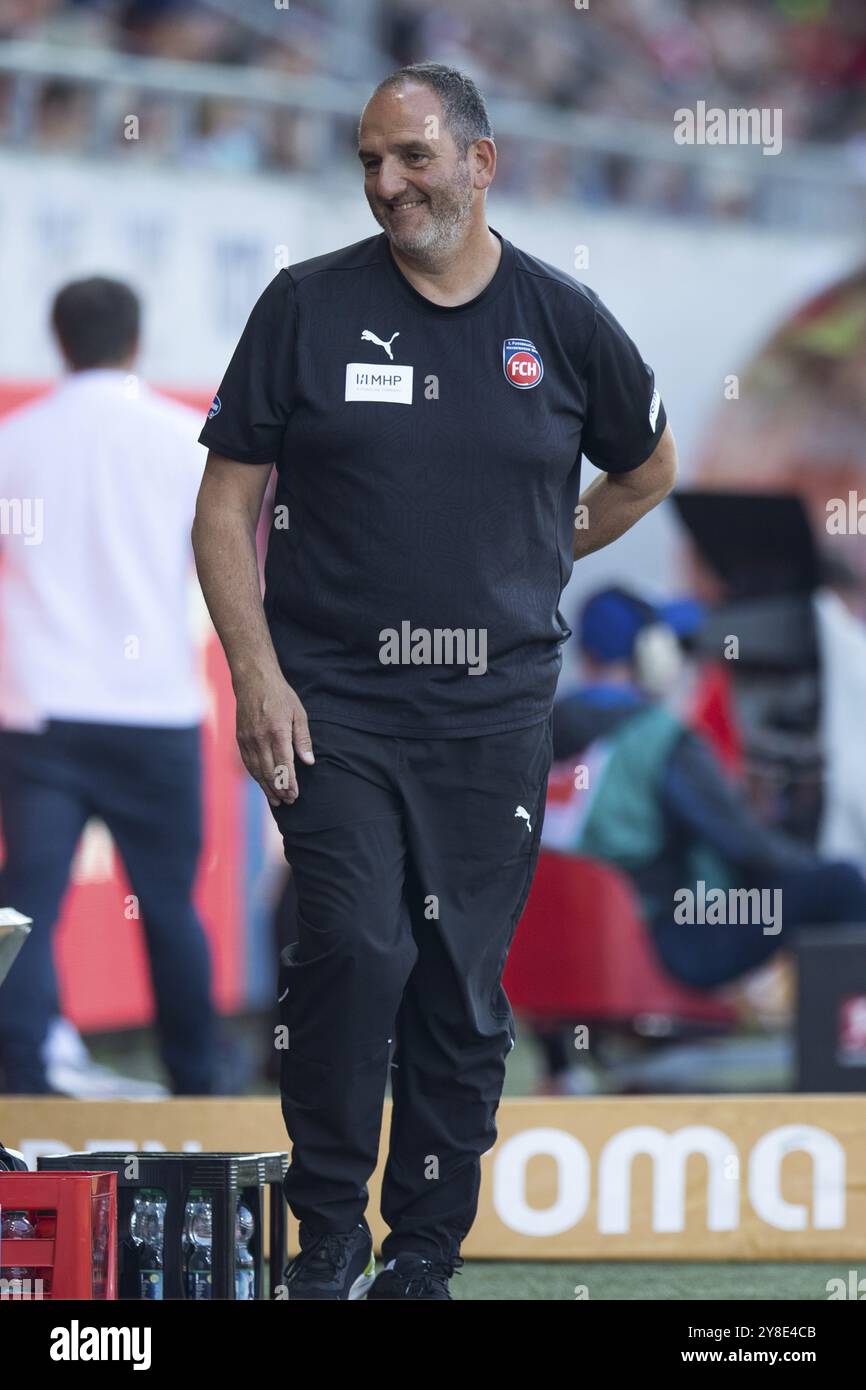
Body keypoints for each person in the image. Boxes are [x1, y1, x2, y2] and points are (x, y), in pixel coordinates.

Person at [192, 62, 676, 1300]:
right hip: (332, 705)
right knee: (353, 947)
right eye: (367, 160)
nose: (385, 183)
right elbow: (224, 506)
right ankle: (328, 1239)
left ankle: (419, 1255)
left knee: (459, 985)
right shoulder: (304, 306)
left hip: (494, 712)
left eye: (409, 157)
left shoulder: (562, 321)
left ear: (478, 161)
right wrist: (255, 674)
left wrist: (540, 549)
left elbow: (646, 468)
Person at [0, 276, 218, 1096]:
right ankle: (200, 1092)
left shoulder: (15, 442)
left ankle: (18, 1090)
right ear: (137, 340)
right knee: (169, 908)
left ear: (59, 342)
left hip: (38, 712)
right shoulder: (185, 437)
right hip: (155, 710)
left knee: (26, 910)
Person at [547, 586, 866, 995]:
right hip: (669, 946)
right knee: (840, 884)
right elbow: (747, 848)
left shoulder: (535, 736)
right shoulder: (662, 739)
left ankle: (562, 1058)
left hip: (557, 952)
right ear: (652, 656)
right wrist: (810, 862)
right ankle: (848, 1048)